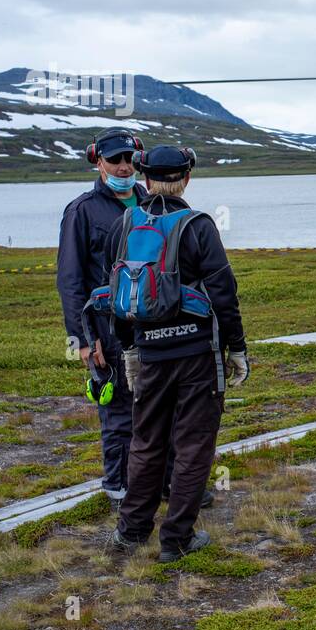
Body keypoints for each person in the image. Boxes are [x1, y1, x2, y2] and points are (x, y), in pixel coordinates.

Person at [109, 145, 249, 561]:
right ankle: (177, 540)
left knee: (146, 441)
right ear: (186, 178)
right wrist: (237, 348)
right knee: (192, 446)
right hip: (197, 353)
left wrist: (130, 348)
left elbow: (117, 289)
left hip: (149, 353)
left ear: (145, 178)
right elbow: (224, 292)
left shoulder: (127, 222)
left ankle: (132, 532)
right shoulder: (199, 225)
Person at [56, 128, 149, 508]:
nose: (124, 167)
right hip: (107, 329)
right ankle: (119, 488)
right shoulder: (81, 211)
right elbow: (70, 279)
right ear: (98, 161)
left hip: (151, 323)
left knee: (158, 406)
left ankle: (157, 482)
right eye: (115, 160)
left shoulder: (150, 200)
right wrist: (82, 338)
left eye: (129, 160)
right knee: (118, 413)